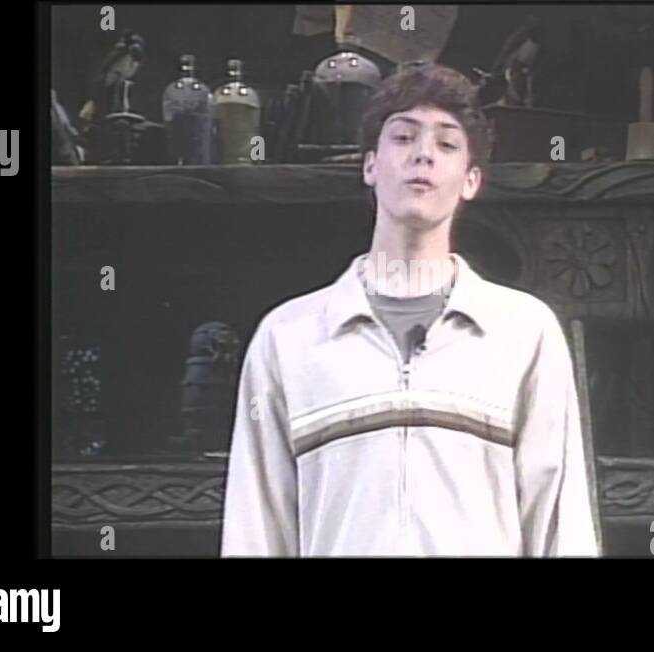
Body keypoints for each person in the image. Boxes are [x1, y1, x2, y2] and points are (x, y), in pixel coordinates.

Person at [220, 62, 599, 557]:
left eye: (446, 144)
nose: (423, 154)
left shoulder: (523, 333)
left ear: (471, 180)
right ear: (370, 165)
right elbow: (256, 530)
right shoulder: (288, 339)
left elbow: (559, 523)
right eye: (402, 138)